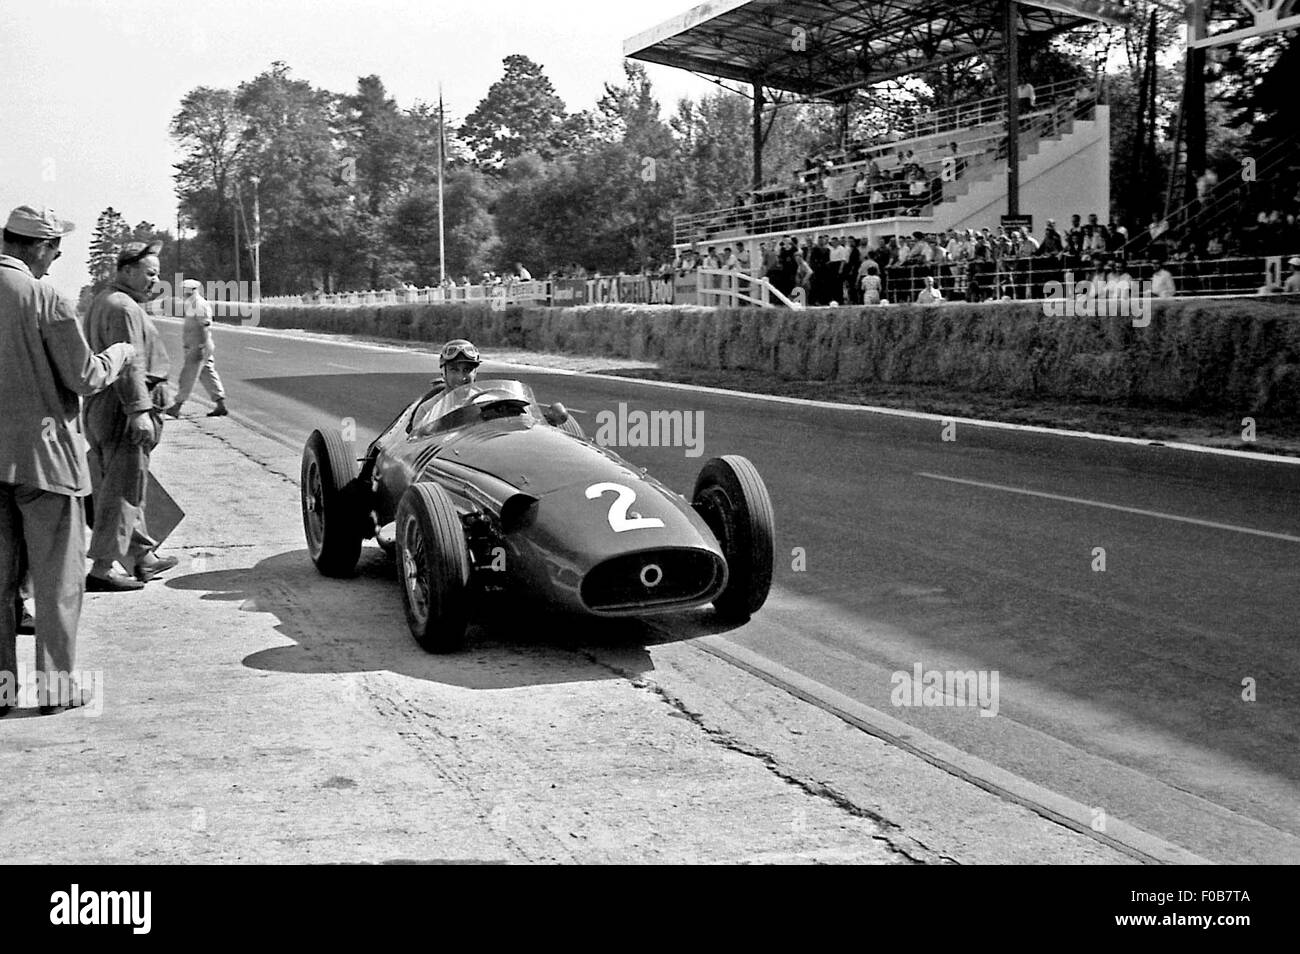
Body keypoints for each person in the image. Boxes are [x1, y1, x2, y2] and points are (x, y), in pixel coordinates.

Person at [1, 205, 136, 713]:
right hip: (43, 463)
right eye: (55, 248)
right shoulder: (44, 298)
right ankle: (56, 690)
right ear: (37, 247)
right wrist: (120, 355)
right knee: (58, 582)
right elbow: (83, 377)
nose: (56, 258)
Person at [83, 241, 176, 591]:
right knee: (121, 490)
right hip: (122, 406)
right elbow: (129, 364)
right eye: (149, 274)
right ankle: (103, 569)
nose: (155, 281)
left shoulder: (108, 301)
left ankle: (142, 556)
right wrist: (139, 411)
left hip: (107, 404)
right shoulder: (122, 307)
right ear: (126, 271)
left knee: (128, 483)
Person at [167, 279, 228, 418]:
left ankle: (177, 406)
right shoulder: (192, 304)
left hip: (198, 346)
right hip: (196, 345)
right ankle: (220, 404)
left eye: (185, 290)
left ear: (192, 290)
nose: (183, 293)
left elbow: (204, 326)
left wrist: (203, 345)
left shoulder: (199, 304)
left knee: (188, 376)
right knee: (207, 374)